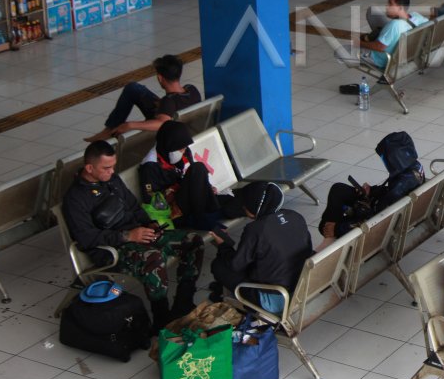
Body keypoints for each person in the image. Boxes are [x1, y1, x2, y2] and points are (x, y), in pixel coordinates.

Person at [64, 141, 204, 327]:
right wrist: (127, 236)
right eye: (106, 168)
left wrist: (149, 224)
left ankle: (183, 303)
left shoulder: (112, 180)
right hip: (112, 248)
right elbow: (86, 238)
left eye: (113, 166)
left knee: (193, 240)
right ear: (89, 168)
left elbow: (133, 207)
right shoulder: (75, 198)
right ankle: (161, 317)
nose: (112, 171)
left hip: (138, 234)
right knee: (153, 258)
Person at [208, 182, 314, 314]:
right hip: (302, 285)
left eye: (244, 204)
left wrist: (224, 245)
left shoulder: (255, 229)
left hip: (277, 299)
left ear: (253, 210)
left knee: (219, 265)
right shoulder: (294, 216)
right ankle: (226, 291)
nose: (242, 207)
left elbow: (236, 265)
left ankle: (239, 303)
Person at [139, 120, 241, 233]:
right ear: (169, 145)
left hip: (190, 198)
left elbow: (190, 175)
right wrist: (172, 191)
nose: (183, 151)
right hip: (173, 210)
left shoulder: (183, 152)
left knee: (235, 199)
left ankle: (207, 214)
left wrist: (206, 186)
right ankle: (203, 218)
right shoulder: (150, 166)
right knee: (198, 168)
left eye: (184, 147)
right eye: (180, 148)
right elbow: (152, 199)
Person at [86, 54, 201, 142]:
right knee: (133, 88)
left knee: (131, 89)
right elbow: (179, 101)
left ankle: (110, 130)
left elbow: (162, 124)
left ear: (160, 78)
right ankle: (110, 129)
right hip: (182, 123)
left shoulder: (168, 101)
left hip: (171, 131)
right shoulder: (192, 89)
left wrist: (130, 125)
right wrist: (162, 104)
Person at [360, 0, 430, 69]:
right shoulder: (417, 16)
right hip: (410, 53)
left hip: (379, 59)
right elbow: (429, 25)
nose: (387, 6)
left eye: (390, 4)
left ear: (400, 8)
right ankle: (380, 36)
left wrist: (359, 43)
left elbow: (379, 47)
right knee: (372, 11)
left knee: (348, 48)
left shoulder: (394, 25)